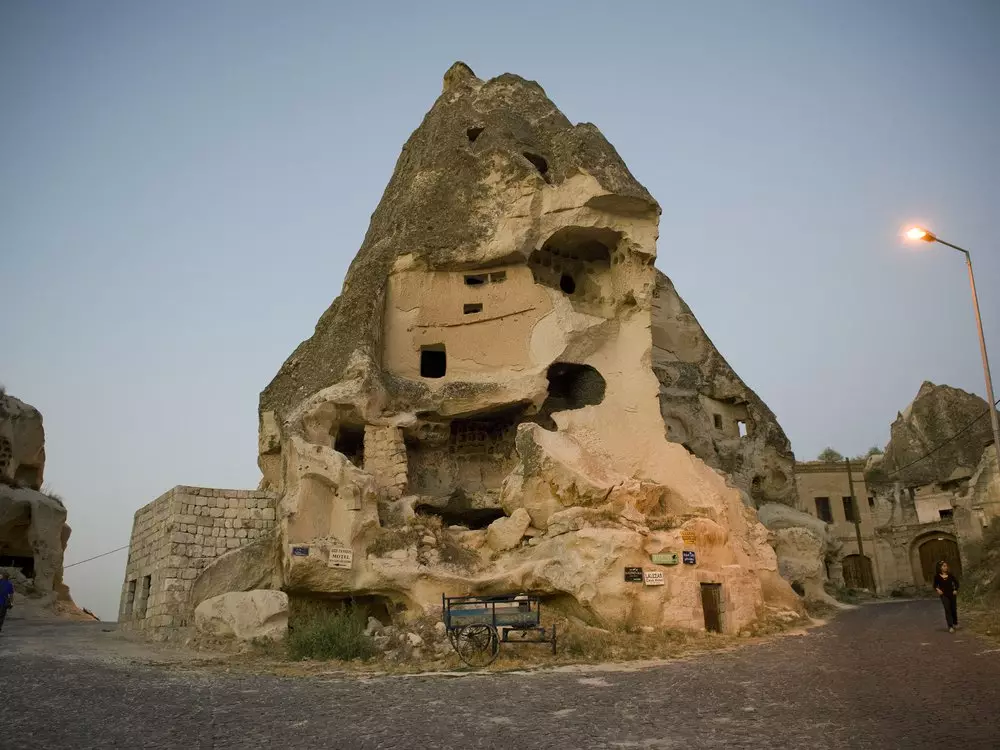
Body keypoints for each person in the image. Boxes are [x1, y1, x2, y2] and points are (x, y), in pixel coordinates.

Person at [933, 560, 960, 633]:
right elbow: (935, 585)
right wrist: (938, 589)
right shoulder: (937, 577)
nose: (946, 567)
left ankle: (955, 622)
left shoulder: (950, 575)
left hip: (952, 594)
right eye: (944, 566)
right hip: (944, 595)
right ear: (940, 567)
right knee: (947, 609)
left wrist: (955, 590)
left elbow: (956, 583)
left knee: (953, 609)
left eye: (946, 566)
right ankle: (950, 626)